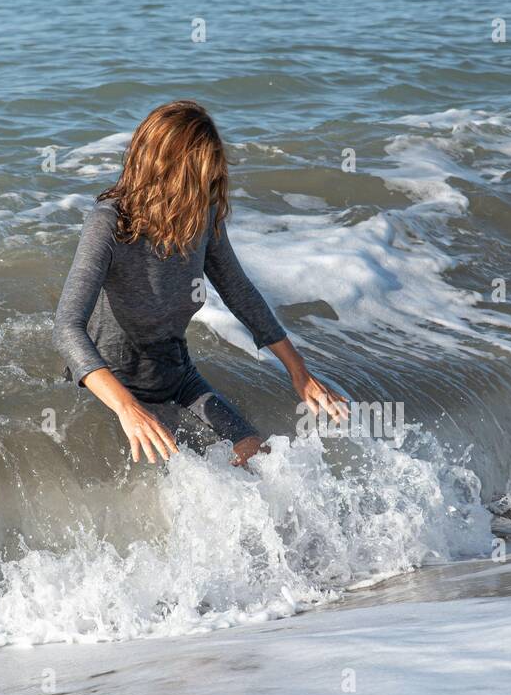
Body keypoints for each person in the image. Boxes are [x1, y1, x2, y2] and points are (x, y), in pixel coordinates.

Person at [53, 99, 347, 466]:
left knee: (257, 457)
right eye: (197, 179)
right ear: (164, 171)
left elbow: (240, 293)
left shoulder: (201, 217)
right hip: (110, 392)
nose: (207, 190)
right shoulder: (109, 224)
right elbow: (66, 329)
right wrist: (127, 407)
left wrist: (299, 372)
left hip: (180, 382)